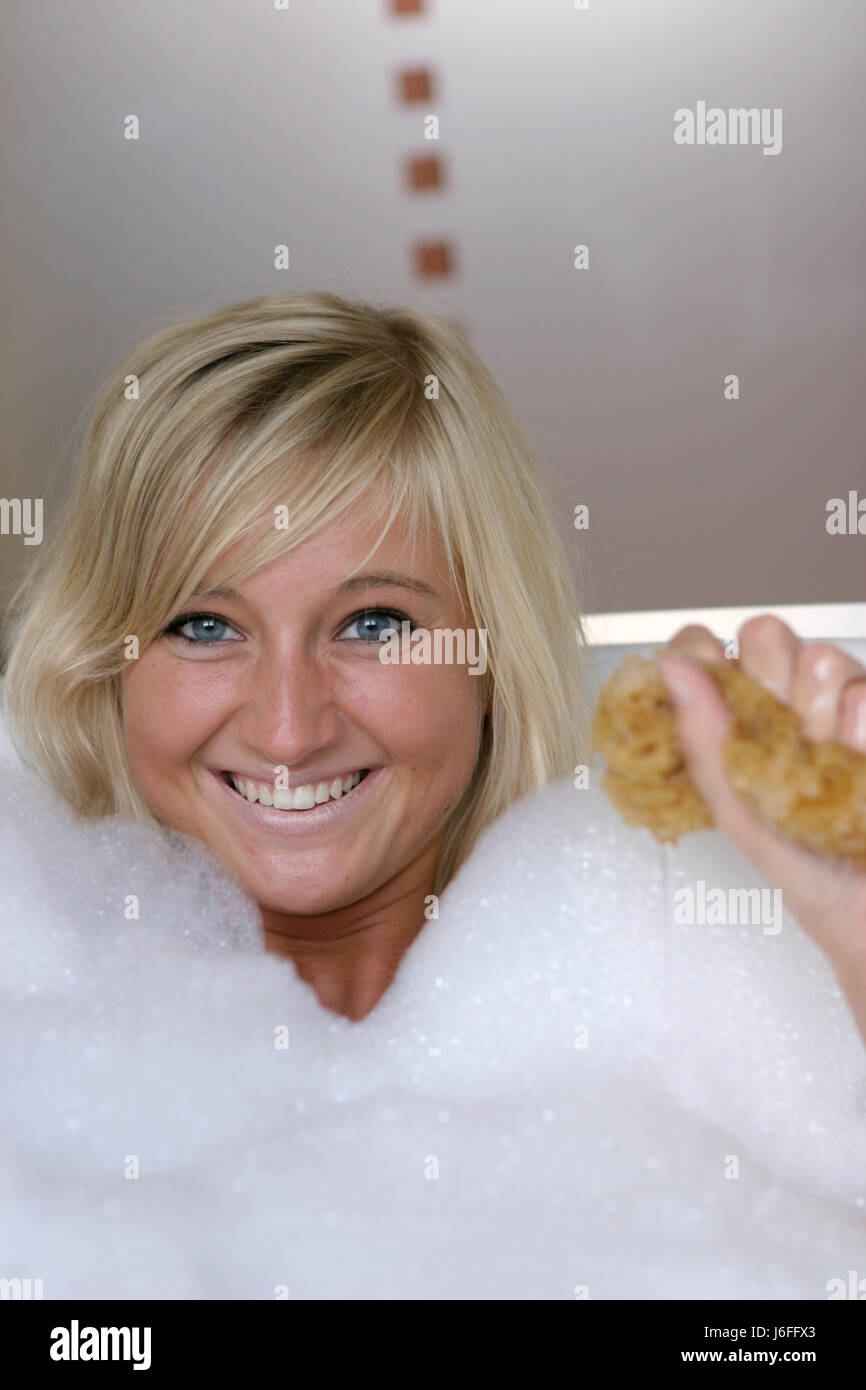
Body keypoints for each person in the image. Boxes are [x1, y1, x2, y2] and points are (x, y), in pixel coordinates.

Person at [1, 291, 865, 1299]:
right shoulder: (35, 1015)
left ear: (486, 658)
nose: (288, 726)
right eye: (202, 624)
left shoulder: (692, 1006)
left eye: (371, 624)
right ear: (107, 667)